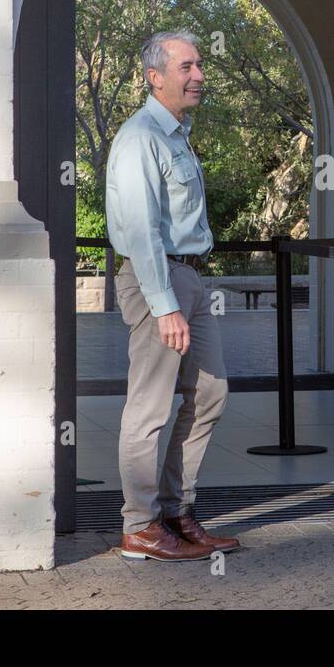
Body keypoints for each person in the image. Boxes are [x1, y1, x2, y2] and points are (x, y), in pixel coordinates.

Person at [104, 30, 241, 561]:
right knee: (150, 407)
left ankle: (176, 512)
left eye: (199, 65)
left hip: (188, 276)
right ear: (154, 76)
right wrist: (164, 305)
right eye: (186, 67)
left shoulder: (176, 134)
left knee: (210, 393)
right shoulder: (141, 137)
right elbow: (141, 231)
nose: (199, 75)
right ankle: (139, 526)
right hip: (155, 280)